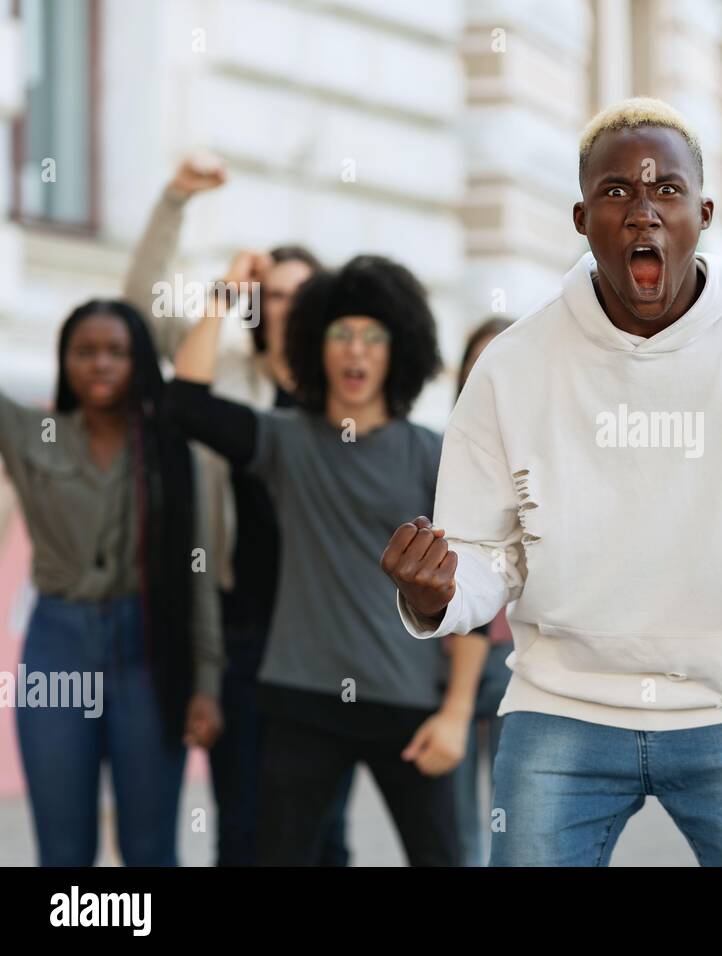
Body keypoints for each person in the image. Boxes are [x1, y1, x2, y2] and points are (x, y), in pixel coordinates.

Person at [384, 97, 722, 867]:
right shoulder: (512, 367)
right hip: (561, 707)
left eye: (666, 191)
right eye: (618, 192)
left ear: (705, 212)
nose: (642, 213)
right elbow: (484, 556)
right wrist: (436, 596)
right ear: (581, 216)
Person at [165, 254, 486, 866]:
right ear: (316, 346)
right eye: (340, 334)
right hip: (301, 699)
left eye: (372, 336)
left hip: (409, 703)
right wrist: (226, 296)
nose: (355, 351)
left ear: (399, 350)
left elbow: (467, 596)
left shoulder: (434, 456)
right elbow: (185, 402)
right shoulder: (285, 441)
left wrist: (456, 713)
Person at [122, 155, 351, 866]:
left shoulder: (347, 395)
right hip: (243, 630)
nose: (290, 307)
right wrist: (176, 203)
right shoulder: (222, 372)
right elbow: (138, 314)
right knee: (243, 827)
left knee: (324, 836)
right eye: (275, 295)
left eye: (305, 294)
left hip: (323, 640)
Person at [0, 299, 224, 866]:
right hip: (58, 644)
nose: (100, 364)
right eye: (85, 352)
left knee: (149, 848)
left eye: (116, 353)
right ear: (64, 361)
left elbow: (195, 572)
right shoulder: (35, 431)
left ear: (139, 361)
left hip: (147, 646)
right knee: (63, 847)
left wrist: (206, 681)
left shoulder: (171, 451)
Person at [448, 316, 516, 866]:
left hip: (519, 661)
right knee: (455, 834)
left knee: (518, 827)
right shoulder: (442, 454)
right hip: (445, 662)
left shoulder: (551, 456)